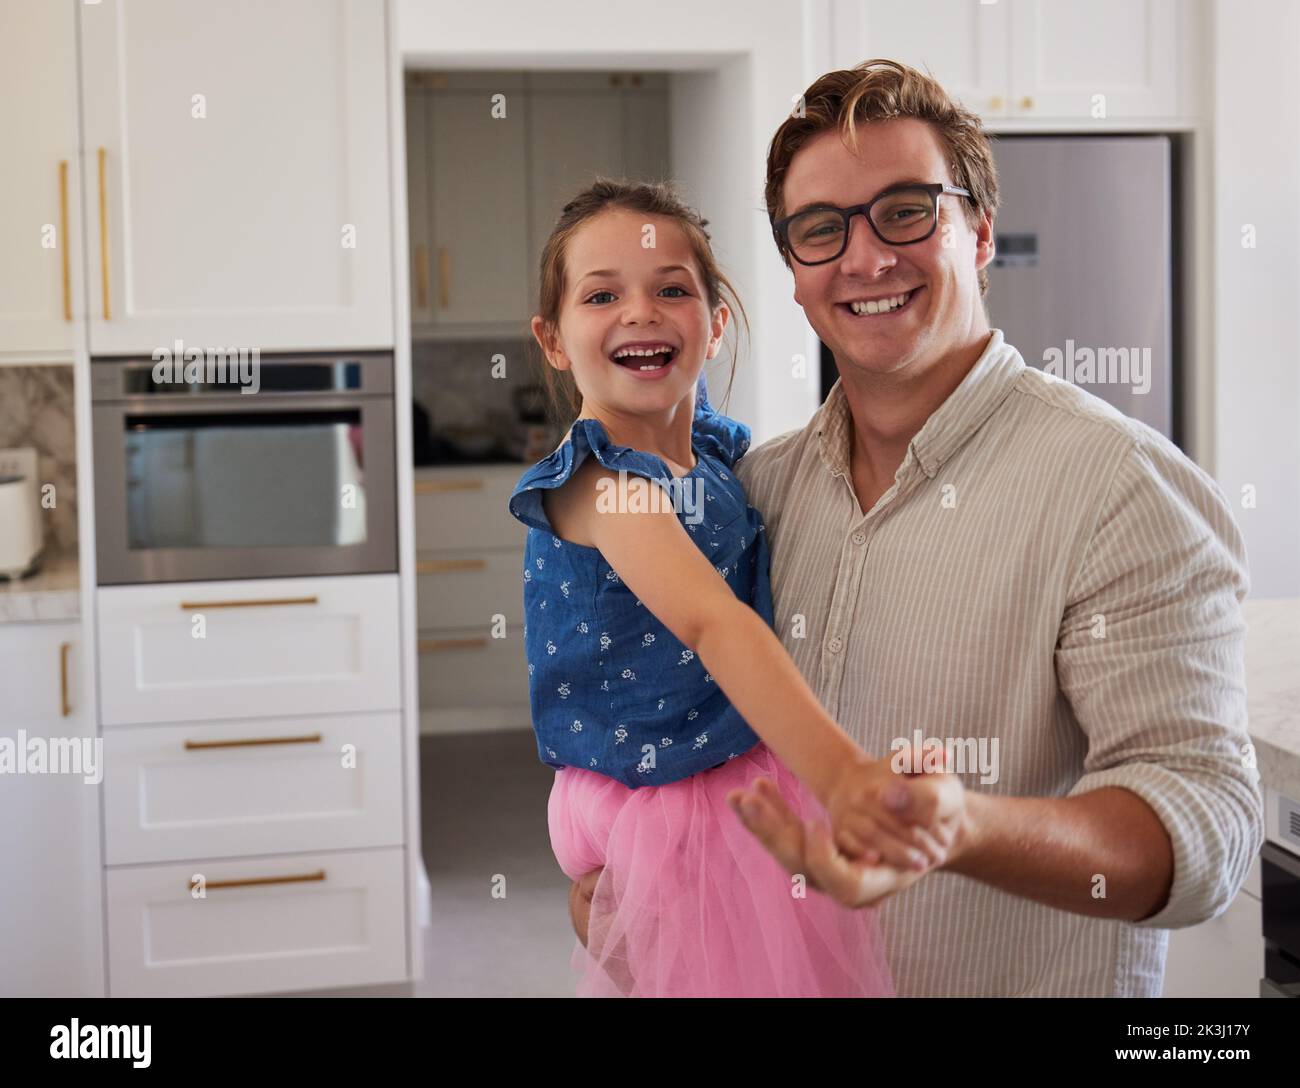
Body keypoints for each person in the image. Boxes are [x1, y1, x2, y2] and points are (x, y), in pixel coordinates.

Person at [722, 59, 1262, 996]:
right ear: (796, 275)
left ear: (978, 234)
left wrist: (956, 828)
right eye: (822, 230)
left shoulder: (1118, 487)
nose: (865, 258)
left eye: (905, 210)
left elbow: (1204, 824)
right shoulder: (759, 491)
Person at [507, 178, 959, 997]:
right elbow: (716, 624)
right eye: (602, 294)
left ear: (714, 326)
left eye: (671, 289)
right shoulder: (601, 486)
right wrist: (845, 777)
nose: (640, 312)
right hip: (667, 801)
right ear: (553, 339)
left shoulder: (710, 448)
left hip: (727, 773)